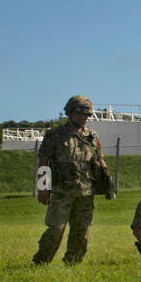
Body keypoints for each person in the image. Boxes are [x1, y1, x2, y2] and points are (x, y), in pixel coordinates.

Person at [33, 94, 113, 265]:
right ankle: (41, 262)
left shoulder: (92, 136)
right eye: (80, 113)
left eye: (87, 115)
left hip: (85, 192)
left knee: (81, 230)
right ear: (69, 112)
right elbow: (43, 162)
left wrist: (108, 184)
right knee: (55, 229)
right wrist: (42, 188)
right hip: (62, 191)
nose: (84, 117)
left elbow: (100, 160)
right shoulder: (54, 135)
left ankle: (73, 264)